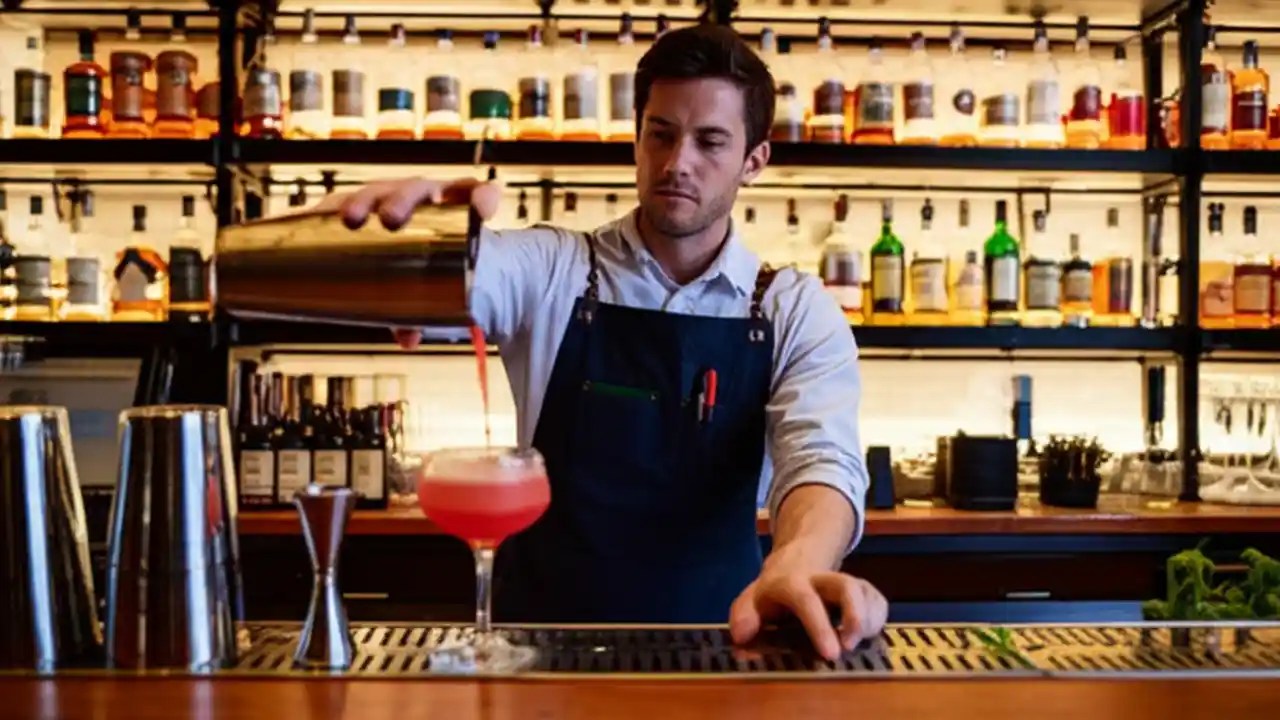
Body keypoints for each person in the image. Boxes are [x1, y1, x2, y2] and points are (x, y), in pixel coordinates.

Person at [337, 24, 887, 660]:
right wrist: (406, 246)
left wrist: (798, 560)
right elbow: (464, 276)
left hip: (721, 645)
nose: (678, 162)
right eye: (661, 134)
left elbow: (821, 459)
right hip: (539, 653)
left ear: (754, 160)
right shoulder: (554, 270)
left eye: (711, 141)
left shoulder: (794, 308)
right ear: (637, 138)